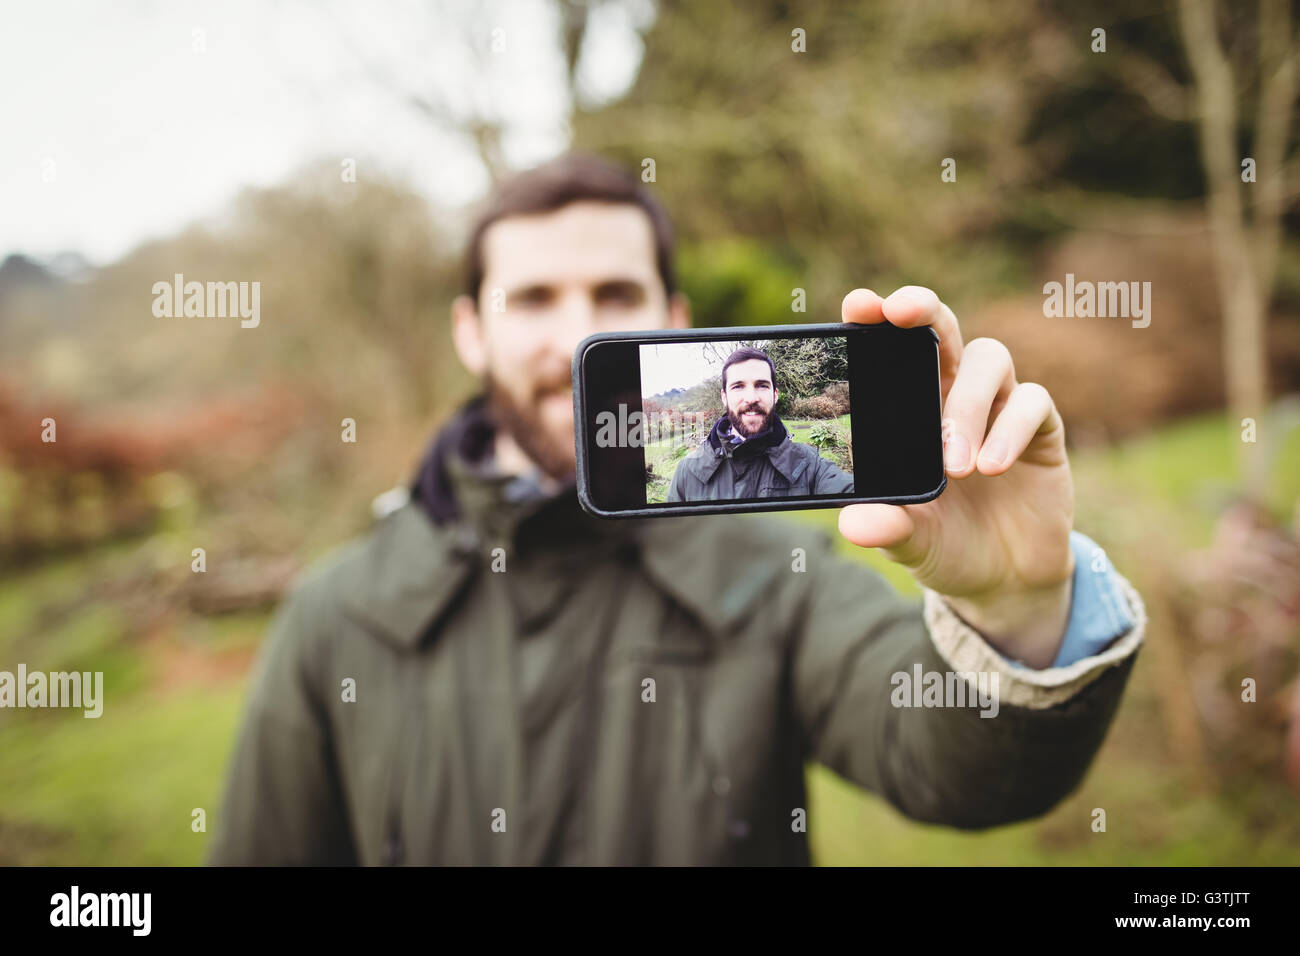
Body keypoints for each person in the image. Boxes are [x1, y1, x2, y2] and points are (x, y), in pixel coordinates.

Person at [209, 152, 1146, 866]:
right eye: (533, 298)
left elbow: (947, 767)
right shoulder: (335, 622)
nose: (577, 333)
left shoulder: (776, 580)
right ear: (471, 331)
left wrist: (1020, 611)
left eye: (615, 293)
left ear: (675, 317)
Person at [666, 346, 853, 501]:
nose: (751, 398)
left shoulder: (811, 466)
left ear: (775, 395)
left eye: (762, 385)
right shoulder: (687, 472)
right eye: (738, 386)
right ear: (724, 397)